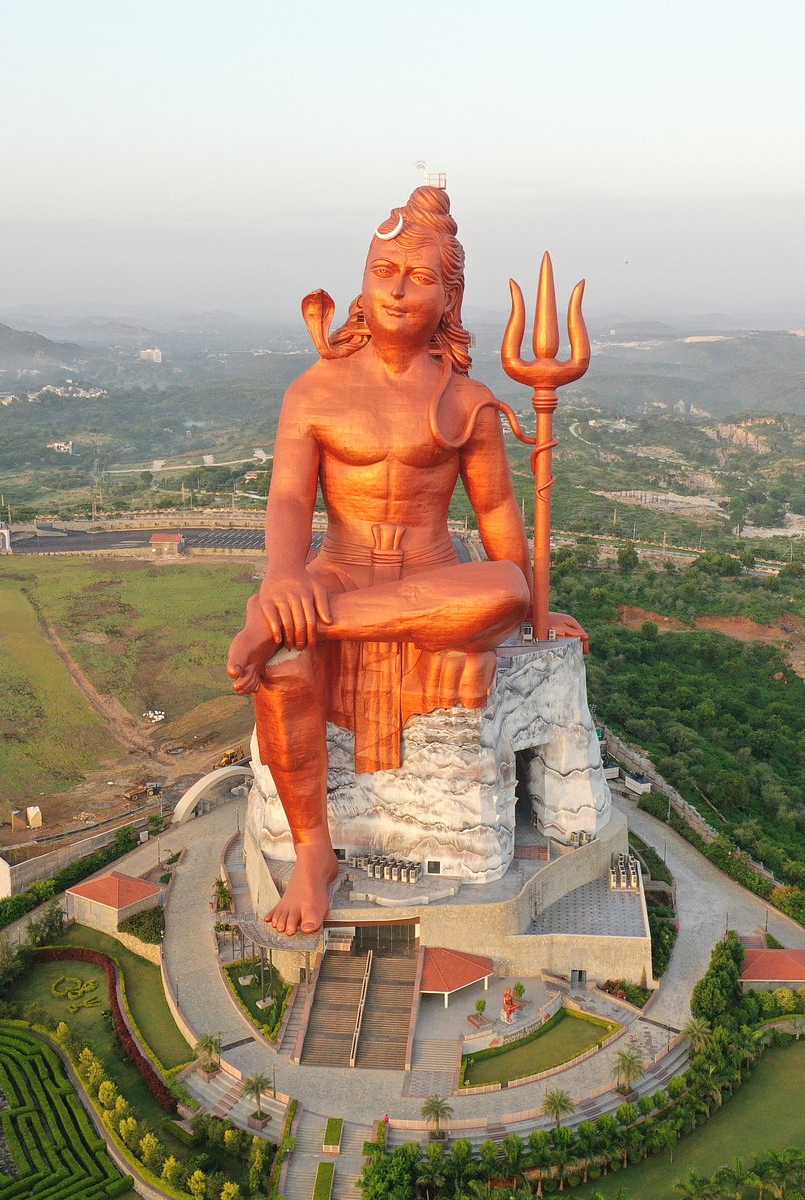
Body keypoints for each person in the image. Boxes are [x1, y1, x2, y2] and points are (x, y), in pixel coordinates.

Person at [227, 186, 584, 935]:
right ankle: (314, 853)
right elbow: (291, 502)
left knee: (503, 587)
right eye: (382, 268)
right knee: (286, 667)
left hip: (431, 579)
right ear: (360, 283)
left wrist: (533, 610)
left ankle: (312, 624)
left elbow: (495, 516)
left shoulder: (468, 401)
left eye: (418, 275)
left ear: (449, 299)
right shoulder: (314, 392)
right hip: (339, 565)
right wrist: (286, 578)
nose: (394, 286)